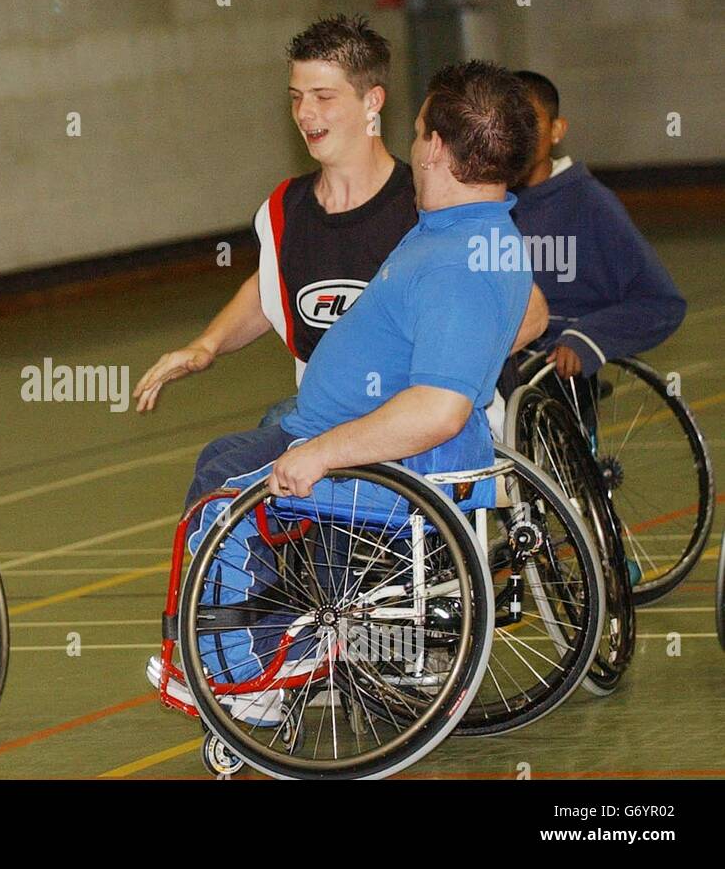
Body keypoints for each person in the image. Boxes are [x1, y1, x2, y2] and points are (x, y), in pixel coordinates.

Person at [151, 61, 541, 704]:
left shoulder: (457, 263)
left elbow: (439, 408)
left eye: (418, 133)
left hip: (388, 467)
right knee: (222, 457)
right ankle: (276, 644)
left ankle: (248, 678)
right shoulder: (464, 229)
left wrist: (323, 451)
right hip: (345, 434)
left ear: (439, 148)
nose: (411, 148)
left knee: (219, 508)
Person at [133, 14, 418, 426]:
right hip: (321, 418)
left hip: (405, 419)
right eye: (296, 97)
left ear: (372, 101)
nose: (304, 113)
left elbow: (519, 309)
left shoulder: (423, 204)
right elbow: (271, 287)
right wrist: (206, 345)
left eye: (323, 96)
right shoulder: (284, 207)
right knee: (221, 471)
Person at [510, 69, 685, 381]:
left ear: (556, 130)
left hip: (550, 381)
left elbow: (661, 303)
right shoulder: (481, 202)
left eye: (529, 122)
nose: (517, 135)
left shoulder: (589, 203)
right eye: (505, 123)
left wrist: (587, 338)